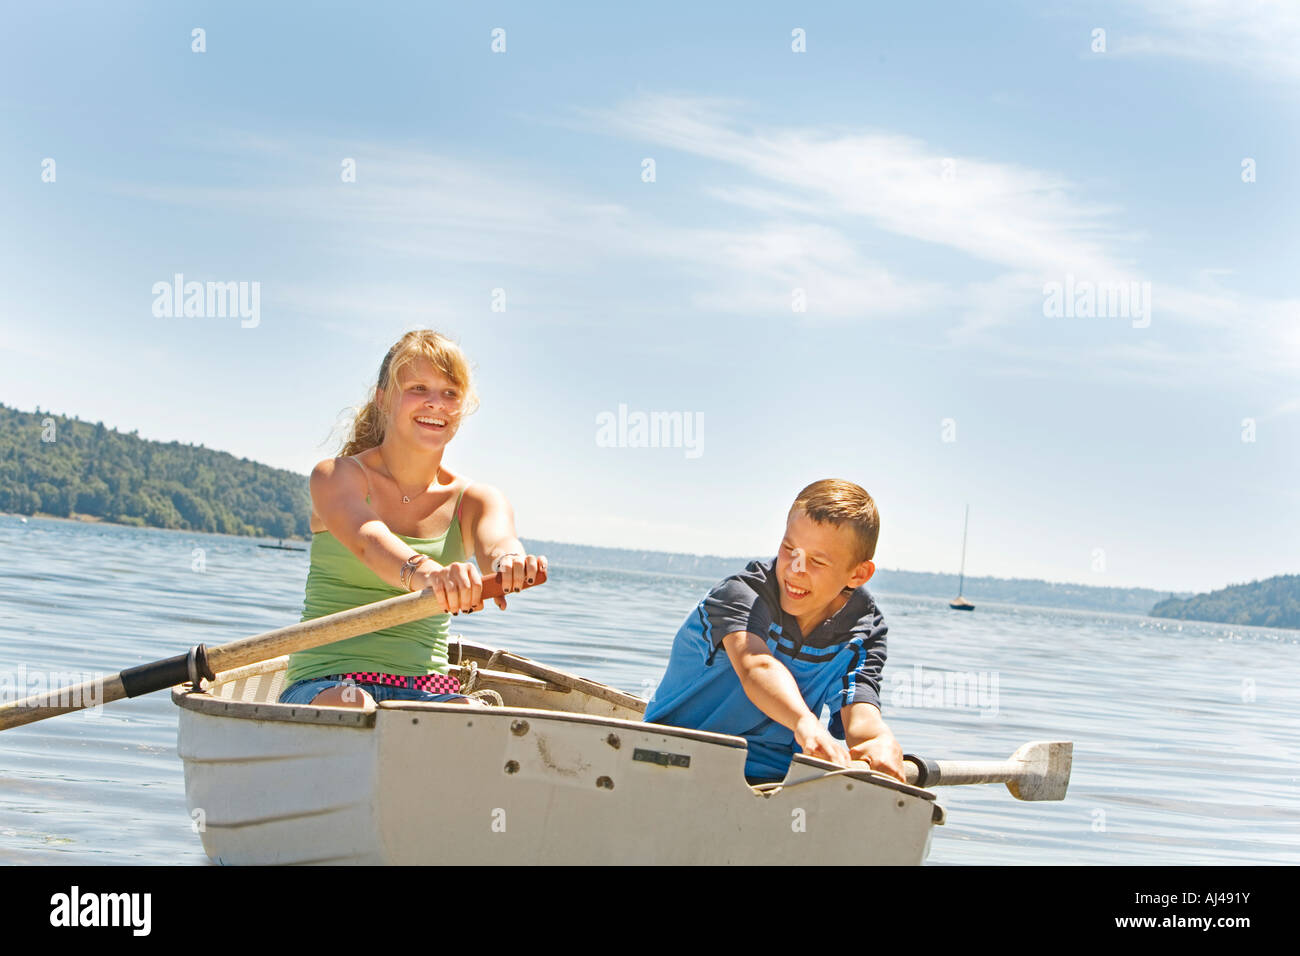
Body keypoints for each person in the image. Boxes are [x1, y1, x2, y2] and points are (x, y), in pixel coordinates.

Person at [278, 329, 546, 708]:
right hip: (327, 681)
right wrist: (432, 575)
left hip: (427, 691)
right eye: (419, 388)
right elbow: (368, 541)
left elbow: (498, 543)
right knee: (354, 705)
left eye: (450, 393)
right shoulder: (336, 476)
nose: (436, 403)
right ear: (383, 398)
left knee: (470, 713)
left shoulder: (477, 499)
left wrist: (510, 564)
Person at [642, 479, 904, 784]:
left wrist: (879, 741)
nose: (795, 568)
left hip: (772, 781)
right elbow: (757, 666)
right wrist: (806, 722)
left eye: (817, 561)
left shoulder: (864, 627)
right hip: (671, 758)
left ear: (858, 574)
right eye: (789, 548)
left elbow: (860, 716)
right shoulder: (740, 594)